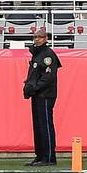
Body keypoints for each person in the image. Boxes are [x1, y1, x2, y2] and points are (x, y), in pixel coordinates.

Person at [23, 26, 60, 165]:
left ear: (46, 39)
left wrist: (34, 88)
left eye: (39, 37)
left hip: (45, 95)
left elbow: (48, 77)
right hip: (38, 95)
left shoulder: (47, 55)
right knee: (38, 126)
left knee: (45, 125)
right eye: (35, 37)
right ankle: (40, 155)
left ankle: (49, 157)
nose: (36, 39)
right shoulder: (37, 54)